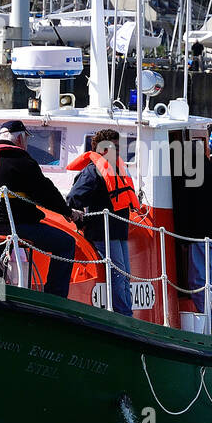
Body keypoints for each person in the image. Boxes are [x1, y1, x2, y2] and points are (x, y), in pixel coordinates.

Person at [0, 120, 78, 297]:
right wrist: (69, 212)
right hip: (14, 227)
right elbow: (46, 192)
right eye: (26, 139)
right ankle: (55, 297)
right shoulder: (23, 161)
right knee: (66, 244)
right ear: (20, 139)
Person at [66, 128, 139, 316]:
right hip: (103, 231)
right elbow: (74, 197)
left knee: (124, 274)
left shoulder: (116, 169)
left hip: (118, 230)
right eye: (114, 147)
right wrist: (80, 221)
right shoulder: (92, 171)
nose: (118, 151)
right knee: (118, 272)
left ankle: (126, 311)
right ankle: (123, 314)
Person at [172, 137, 212, 333]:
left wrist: (181, 236)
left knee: (199, 282)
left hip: (200, 237)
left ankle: (211, 324)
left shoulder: (190, 175)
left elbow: (183, 207)